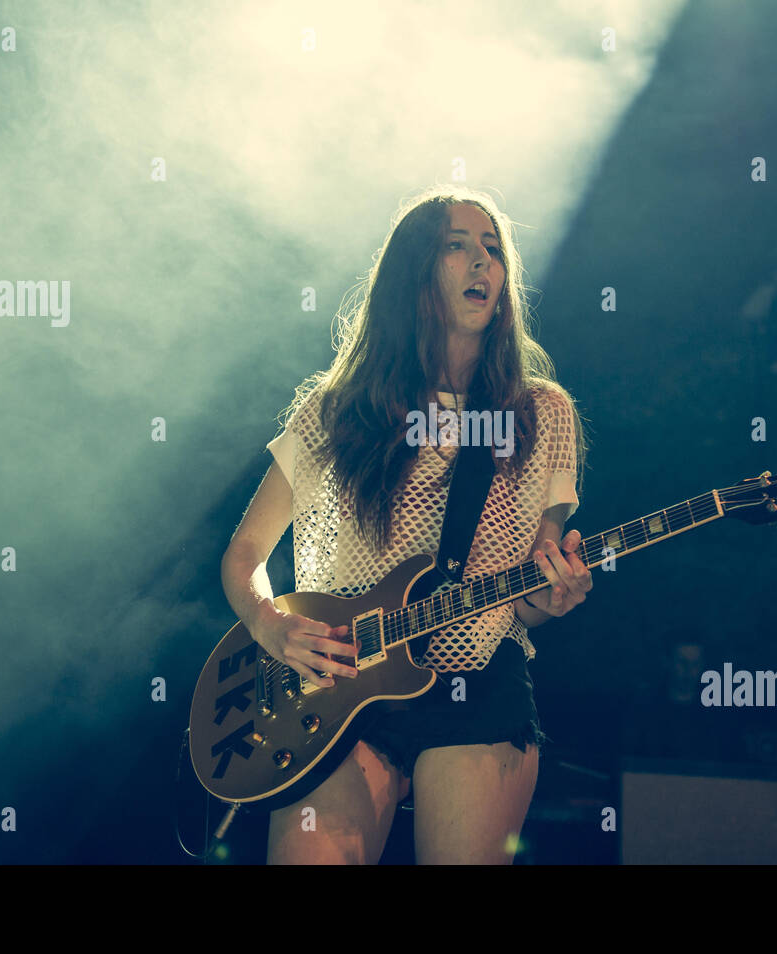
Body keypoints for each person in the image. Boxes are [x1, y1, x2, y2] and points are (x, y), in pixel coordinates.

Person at [221, 185, 590, 864]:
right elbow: (245, 552)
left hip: (477, 683)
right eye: (458, 247)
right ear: (413, 274)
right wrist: (270, 624)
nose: (484, 264)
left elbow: (531, 600)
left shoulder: (542, 414)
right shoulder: (339, 411)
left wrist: (555, 595)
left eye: (493, 250)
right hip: (340, 690)